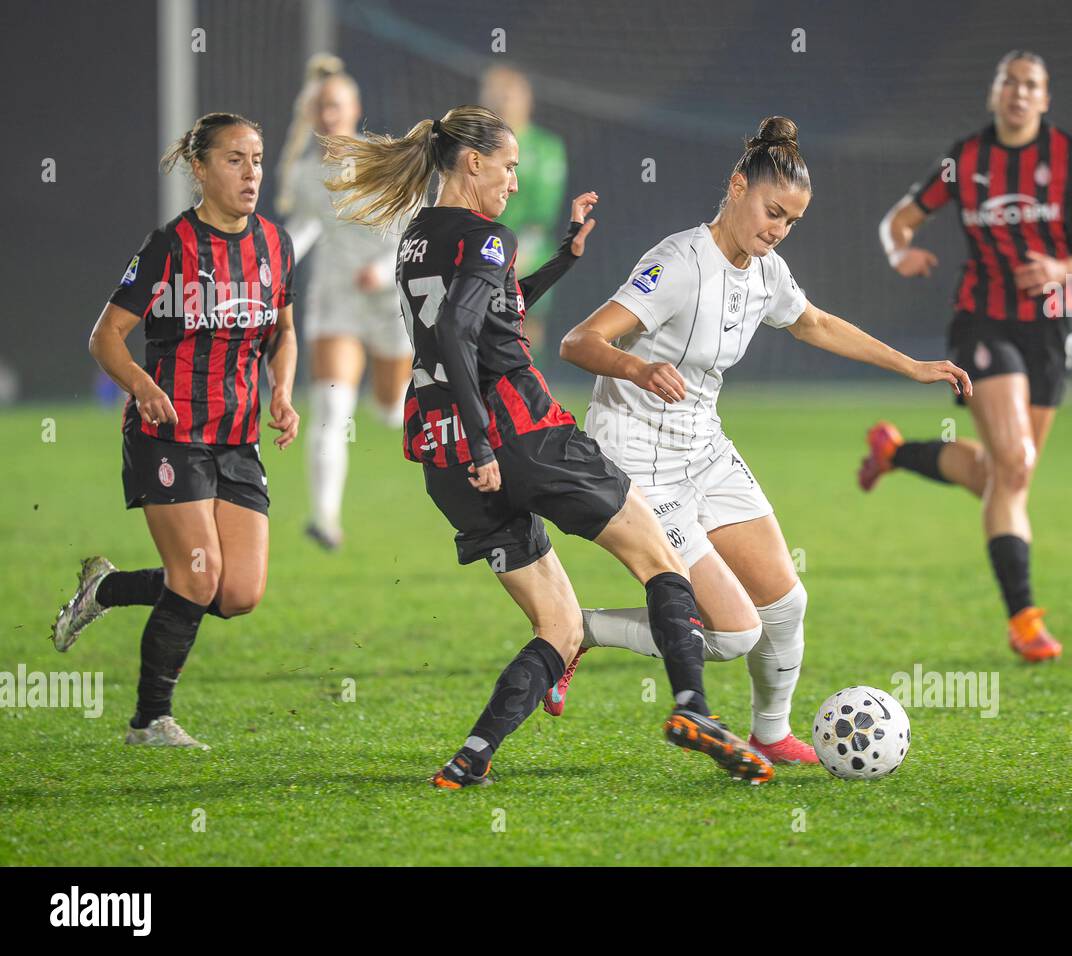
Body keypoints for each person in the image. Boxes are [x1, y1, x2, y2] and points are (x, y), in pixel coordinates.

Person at [320, 105, 774, 788]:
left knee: (559, 626)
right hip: (519, 438)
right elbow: (459, 334)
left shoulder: (417, 236)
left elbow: (488, 309)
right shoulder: (489, 236)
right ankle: (693, 708)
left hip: (444, 457)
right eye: (508, 168)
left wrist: (564, 257)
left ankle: (471, 757)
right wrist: (484, 444)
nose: (512, 183)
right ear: (472, 163)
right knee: (660, 559)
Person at [553, 116, 971, 766]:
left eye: (791, 222)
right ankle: (577, 630)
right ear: (737, 184)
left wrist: (913, 368)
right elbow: (579, 341)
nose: (778, 230)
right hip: (637, 461)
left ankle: (771, 733)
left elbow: (816, 324)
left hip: (703, 450)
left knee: (785, 604)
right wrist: (638, 367)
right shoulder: (678, 264)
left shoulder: (766, 271)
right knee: (735, 633)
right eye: (773, 211)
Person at [863, 51, 1072, 662]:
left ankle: (896, 451)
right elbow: (897, 223)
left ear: (1046, 99)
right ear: (994, 94)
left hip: (1050, 328)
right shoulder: (965, 160)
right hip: (982, 322)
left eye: (1031, 85)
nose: (1019, 94)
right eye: (1008, 83)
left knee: (1004, 476)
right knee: (1013, 466)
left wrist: (1066, 267)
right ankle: (1024, 620)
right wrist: (898, 253)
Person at [51, 113, 300, 748]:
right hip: (169, 433)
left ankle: (106, 588)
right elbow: (104, 337)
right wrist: (142, 384)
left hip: (237, 437)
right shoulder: (170, 246)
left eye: (258, 159)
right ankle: (149, 721)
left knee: (238, 593)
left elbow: (285, 332)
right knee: (195, 575)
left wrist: (284, 393)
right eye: (235, 160)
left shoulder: (276, 244)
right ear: (201, 168)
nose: (252, 173)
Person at [278, 56, 413, 550]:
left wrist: (379, 272)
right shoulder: (307, 173)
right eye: (319, 106)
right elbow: (314, 225)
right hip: (335, 299)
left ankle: (396, 407)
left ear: (355, 108)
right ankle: (325, 519)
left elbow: (410, 232)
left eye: (335, 105)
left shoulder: (386, 161)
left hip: (385, 301)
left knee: (390, 411)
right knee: (331, 408)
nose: (327, 114)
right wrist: (277, 254)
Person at [480, 66, 568, 353]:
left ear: (526, 99)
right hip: (479, 246)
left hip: (527, 252)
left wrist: (521, 250)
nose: (502, 102)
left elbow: (544, 211)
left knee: (523, 330)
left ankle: (525, 392)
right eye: (495, 95)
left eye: (509, 95)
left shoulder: (545, 147)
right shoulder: (473, 145)